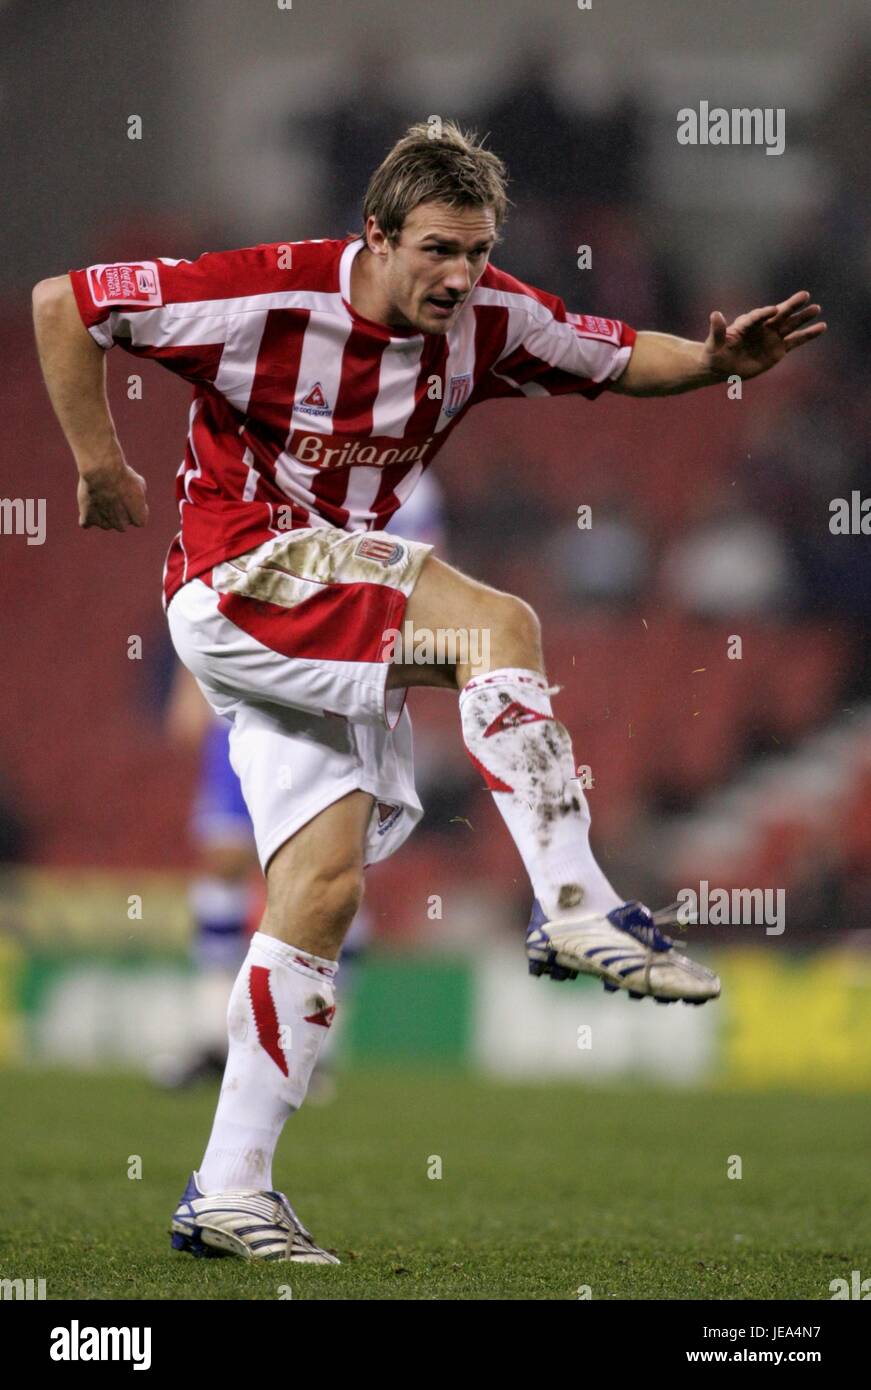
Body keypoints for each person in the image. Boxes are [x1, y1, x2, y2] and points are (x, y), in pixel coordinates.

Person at [32, 121, 826, 1265]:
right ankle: (575, 902)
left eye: (478, 248)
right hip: (241, 570)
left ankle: (227, 1188)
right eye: (440, 249)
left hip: (312, 606)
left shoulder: (490, 316)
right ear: (378, 236)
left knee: (320, 888)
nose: (461, 274)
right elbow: (68, 302)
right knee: (499, 623)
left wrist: (716, 362)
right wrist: (101, 464)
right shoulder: (267, 297)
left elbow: (611, 353)